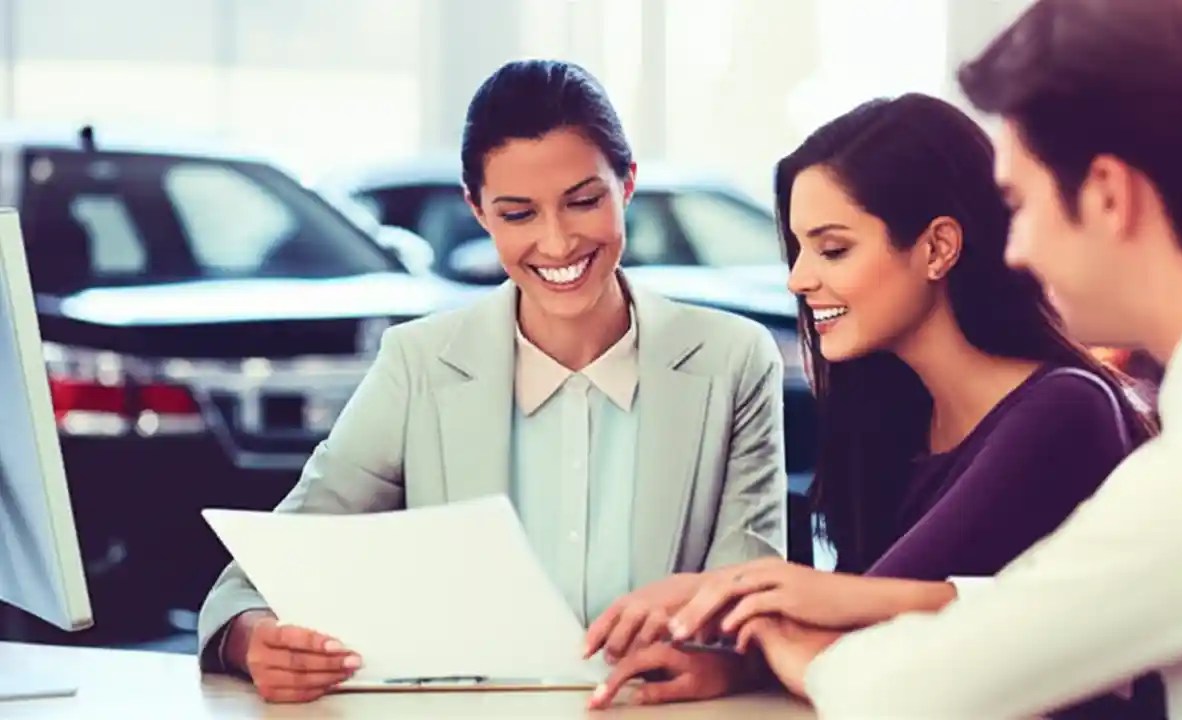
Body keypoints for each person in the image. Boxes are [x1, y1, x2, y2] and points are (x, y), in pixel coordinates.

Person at [736, 0, 1182, 717]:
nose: (1016, 247)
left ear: (1109, 196)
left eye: (1020, 204)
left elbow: (933, 686)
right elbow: (1073, 600)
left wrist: (802, 647)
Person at [196, 59, 788, 704]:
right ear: (477, 209)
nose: (557, 243)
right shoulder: (419, 363)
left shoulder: (731, 359)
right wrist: (252, 640)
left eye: (584, 201)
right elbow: (252, 583)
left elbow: (750, 590)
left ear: (629, 184)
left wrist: (731, 665)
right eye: (518, 214)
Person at [588, 93, 1157, 713]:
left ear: (938, 248)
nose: (798, 279)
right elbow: (864, 622)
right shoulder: (895, 416)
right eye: (798, 249)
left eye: (833, 249)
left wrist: (741, 592)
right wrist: (741, 668)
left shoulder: (1065, 411)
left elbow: (871, 610)